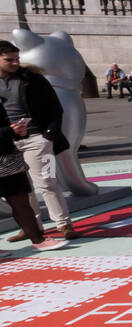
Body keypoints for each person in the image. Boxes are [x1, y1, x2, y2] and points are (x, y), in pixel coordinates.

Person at [0, 41, 78, 241]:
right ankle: (32, 227)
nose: (15, 63)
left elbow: (54, 107)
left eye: (17, 59)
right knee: (22, 188)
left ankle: (63, 224)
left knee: (46, 181)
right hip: (7, 141)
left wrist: (49, 135)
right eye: (9, 60)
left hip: (36, 137)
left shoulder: (32, 79)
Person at [0, 97, 67, 251]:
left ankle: (39, 240)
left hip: (8, 159)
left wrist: (16, 133)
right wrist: (10, 131)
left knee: (21, 201)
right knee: (21, 200)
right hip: (7, 157)